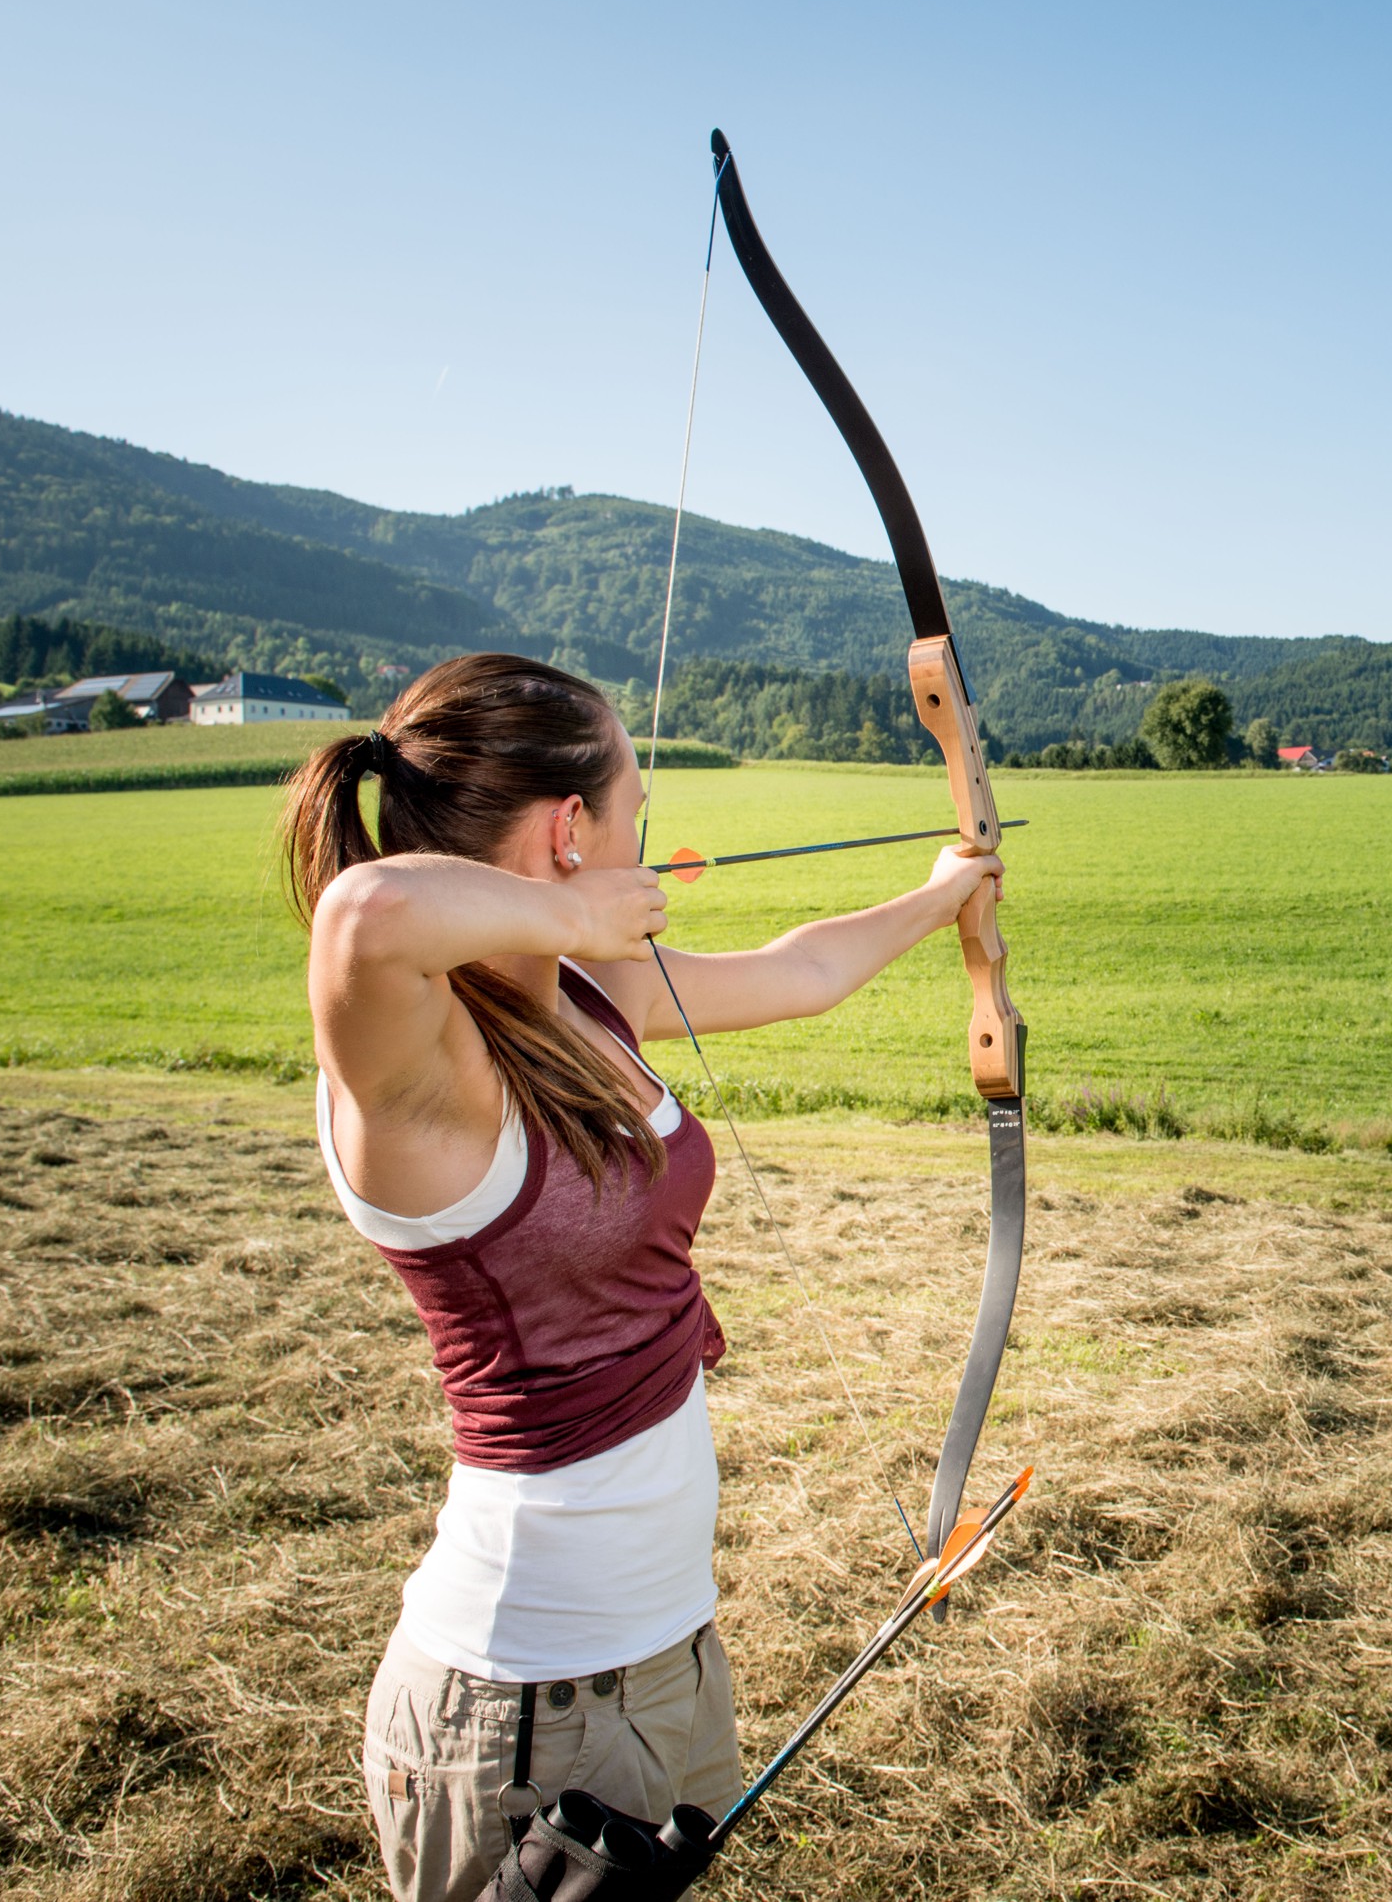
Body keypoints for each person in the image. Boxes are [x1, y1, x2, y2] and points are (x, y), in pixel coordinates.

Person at [280, 652, 1000, 1902]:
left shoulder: (581, 1002)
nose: (644, 849)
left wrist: (947, 893)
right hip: (517, 1707)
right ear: (571, 831)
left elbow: (804, 971)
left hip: (667, 1660)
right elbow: (363, 918)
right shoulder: (423, 1079)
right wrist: (573, 914)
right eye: (635, 821)